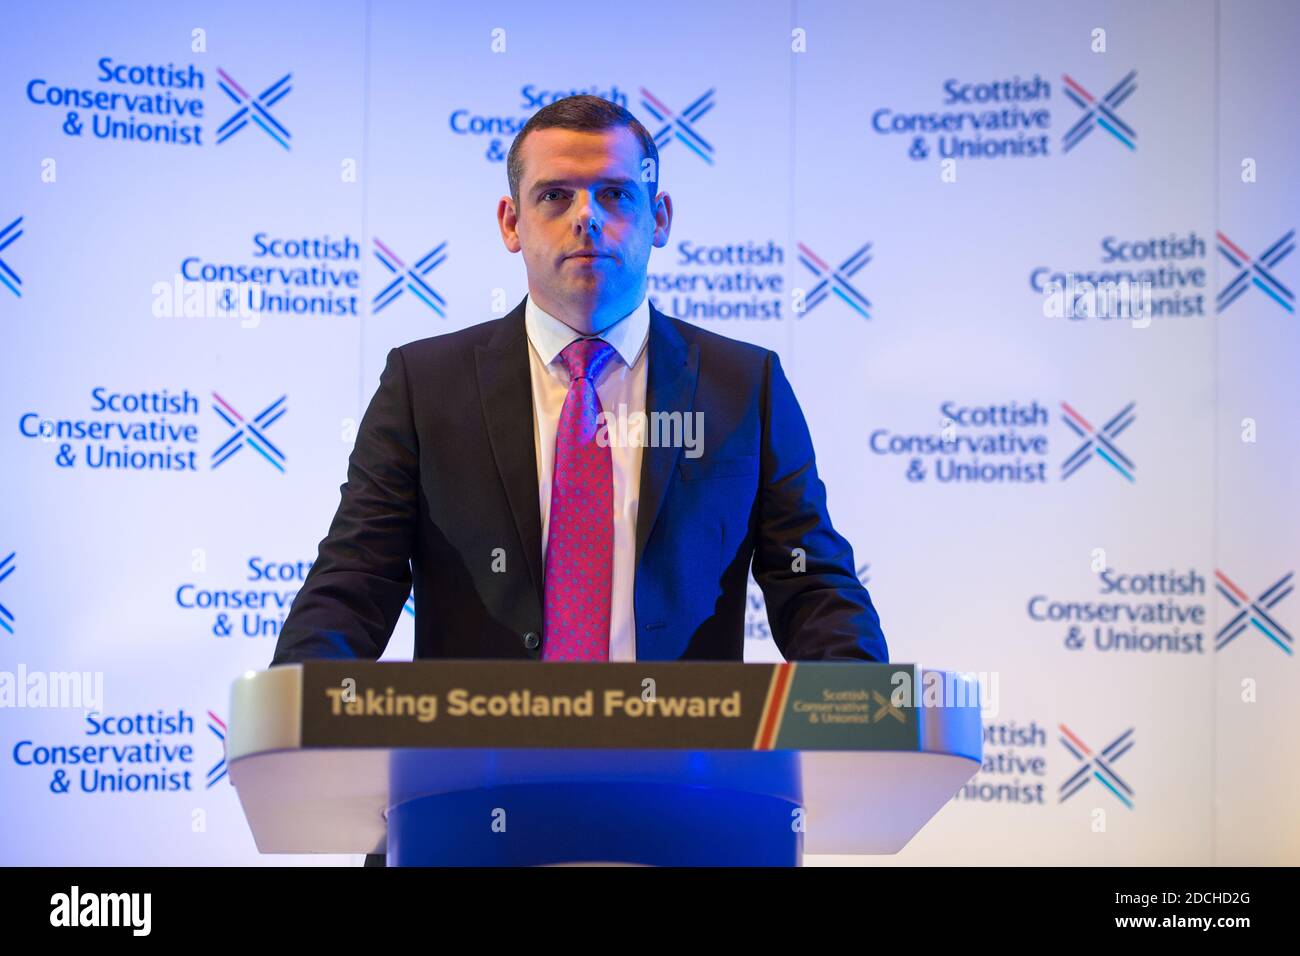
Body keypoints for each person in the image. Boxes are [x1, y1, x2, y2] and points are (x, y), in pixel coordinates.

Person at [270, 93, 887, 669]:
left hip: (679, 772)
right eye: (555, 196)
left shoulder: (743, 386)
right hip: (475, 769)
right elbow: (355, 580)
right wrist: (290, 723)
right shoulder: (424, 385)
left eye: (616, 195)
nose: (586, 218)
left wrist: (865, 717)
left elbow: (811, 585)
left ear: (660, 218)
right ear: (512, 223)